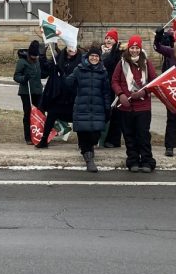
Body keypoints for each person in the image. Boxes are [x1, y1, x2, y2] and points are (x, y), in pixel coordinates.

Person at [110, 34, 157, 172]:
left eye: (137, 48)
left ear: (140, 49)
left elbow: (154, 82)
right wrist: (120, 94)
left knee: (143, 135)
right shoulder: (122, 63)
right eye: (132, 48)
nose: (134, 50)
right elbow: (114, 81)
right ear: (128, 48)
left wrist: (144, 92)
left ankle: (147, 161)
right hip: (126, 107)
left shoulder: (146, 63)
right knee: (129, 135)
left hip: (143, 107)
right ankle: (133, 160)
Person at [65, 44, 114, 172]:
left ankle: (89, 150)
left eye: (96, 56)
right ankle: (89, 159)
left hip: (97, 107)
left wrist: (107, 107)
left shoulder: (103, 72)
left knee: (95, 134)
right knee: (83, 133)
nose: (94, 58)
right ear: (87, 57)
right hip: (82, 106)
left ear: (99, 58)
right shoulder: (79, 69)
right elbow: (68, 83)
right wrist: (66, 75)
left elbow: (106, 91)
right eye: (92, 55)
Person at [37, 40, 79, 149]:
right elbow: (46, 70)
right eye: (69, 47)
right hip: (58, 95)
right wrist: (42, 55)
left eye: (74, 47)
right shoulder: (59, 57)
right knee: (51, 116)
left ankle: (82, 143)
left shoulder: (81, 59)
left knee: (78, 119)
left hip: (73, 96)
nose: (72, 49)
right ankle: (44, 139)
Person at [14, 40, 44, 145]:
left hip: (38, 90)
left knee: (40, 113)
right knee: (28, 113)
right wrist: (24, 78)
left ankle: (40, 134)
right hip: (26, 92)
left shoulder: (38, 61)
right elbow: (16, 76)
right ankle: (28, 137)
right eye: (33, 56)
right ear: (29, 54)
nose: (35, 57)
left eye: (37, 56)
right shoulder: (22, 62)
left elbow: (41, 74)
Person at [99, 30, 123, 148]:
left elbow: (112, 63)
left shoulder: (119, 53)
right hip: (102, 86)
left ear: (115, 41)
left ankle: (113, 140)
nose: (108, 40)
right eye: (107, 38)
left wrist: (115, 51)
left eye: (111, 38)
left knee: (115, 113)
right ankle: (100, 138)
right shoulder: (99, 52)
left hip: (114, 86)